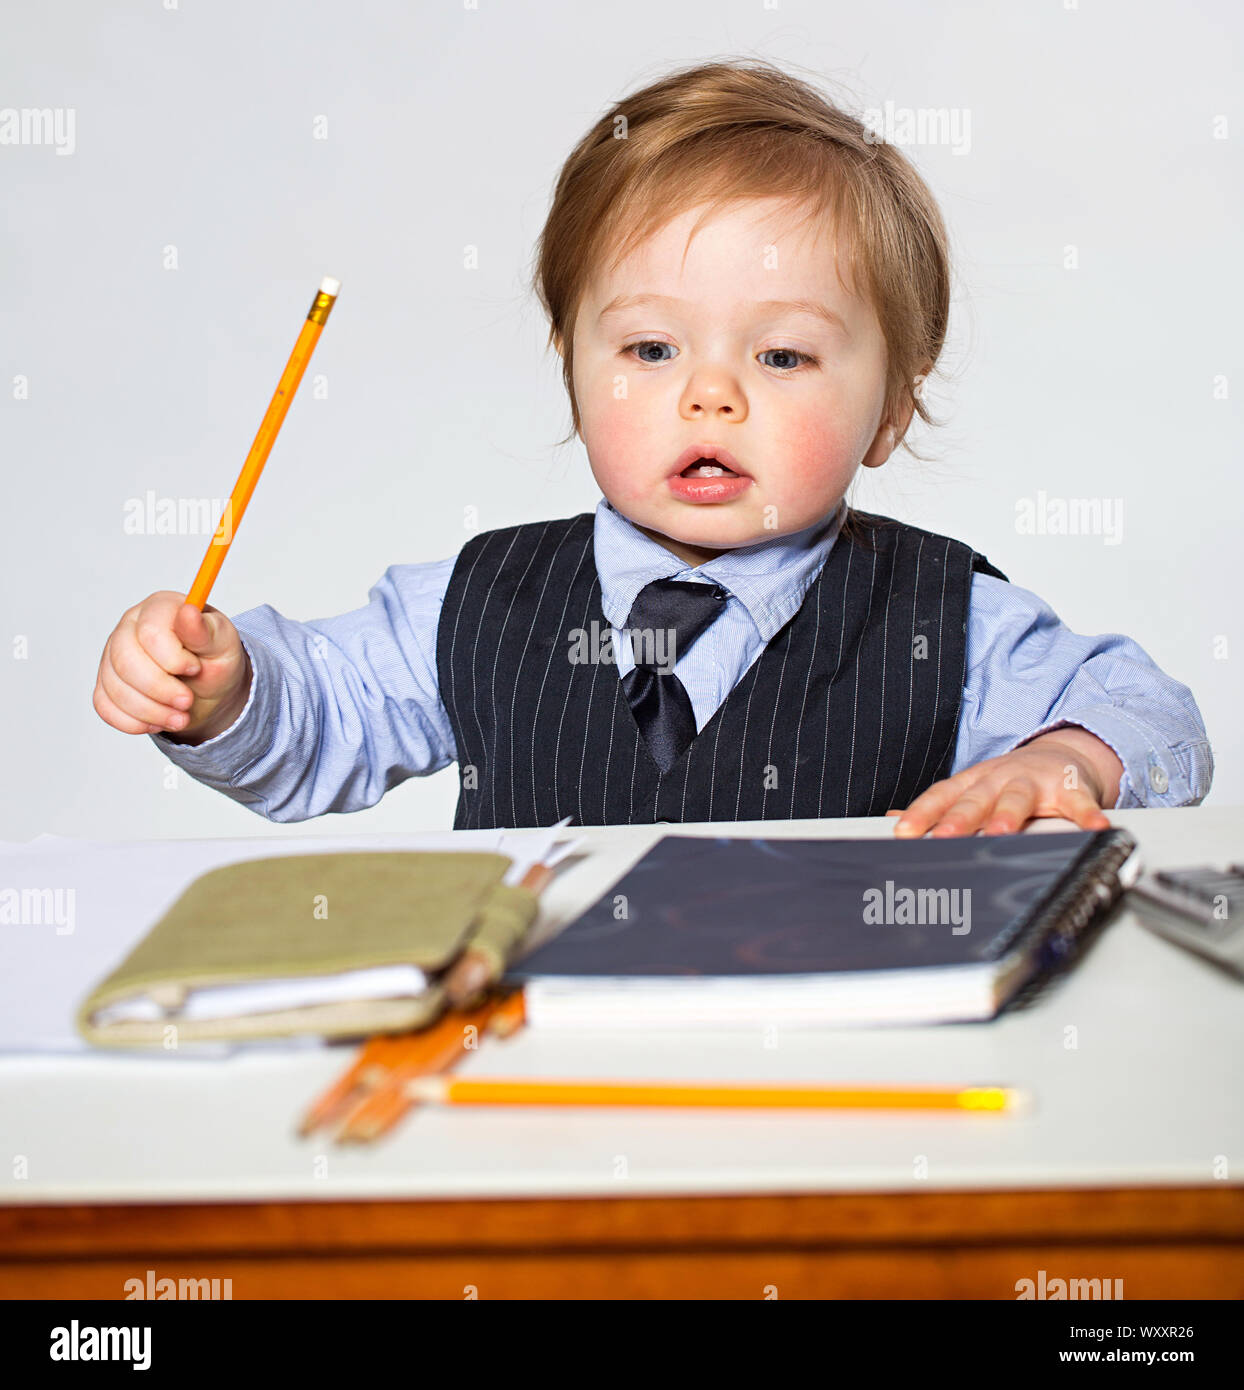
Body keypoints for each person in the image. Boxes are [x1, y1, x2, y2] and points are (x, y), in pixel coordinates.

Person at [92, 59, 1212, 835]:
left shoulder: (944, 620)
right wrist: (223, 691)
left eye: (780, 358)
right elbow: (320, 722)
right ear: (572, 371)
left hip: (834, 1089)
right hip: (531, 1087)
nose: (709, 396)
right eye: (648, 348)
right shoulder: (477, 602)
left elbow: (1153, 717)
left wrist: (1056, 762)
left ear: (890, 413)